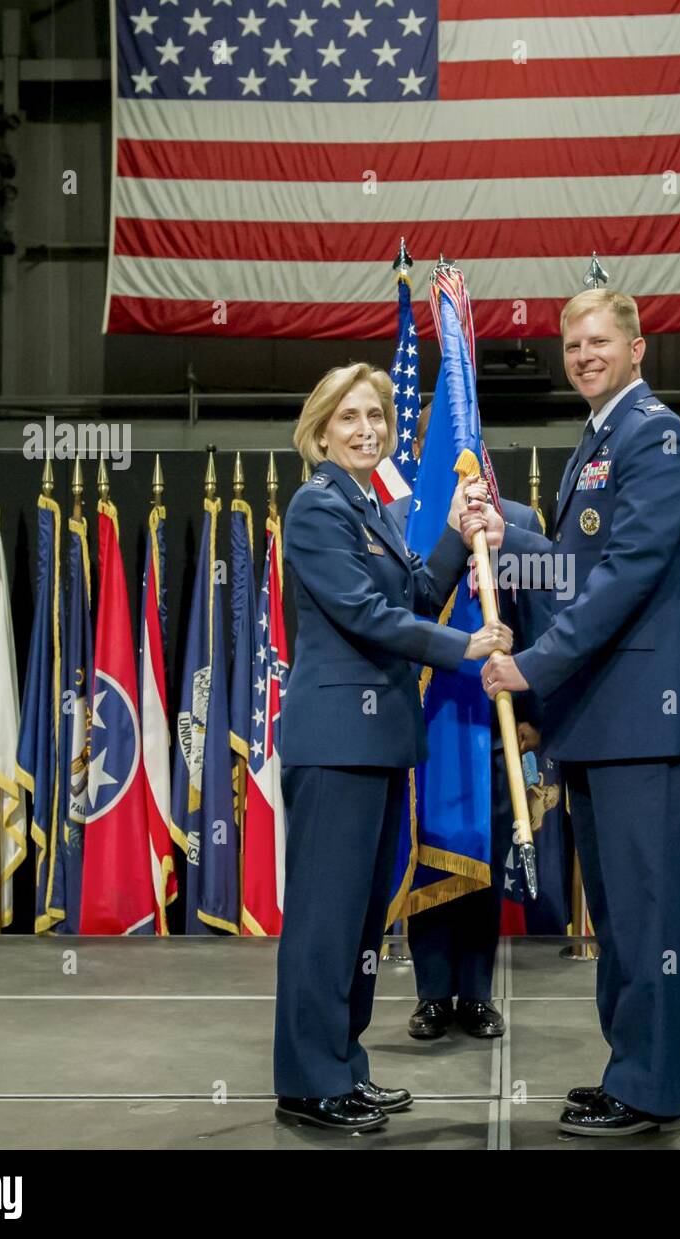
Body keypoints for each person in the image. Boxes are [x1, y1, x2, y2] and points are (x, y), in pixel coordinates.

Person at [462, 289, 680, 1136]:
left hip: (643, 717)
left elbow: (622, 581)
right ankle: (632, 1070)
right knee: (617, 917)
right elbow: (575, 571)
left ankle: (654, 1087)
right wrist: (507, 537)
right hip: (604, 722)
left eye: (599, 340)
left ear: (638, 347)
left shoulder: (656, 436)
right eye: (571, 343)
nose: (582, 354)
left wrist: (527, 666)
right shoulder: (599, 441)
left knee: (646, 916)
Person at [273, 363, 511, 1132]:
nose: (368, 428)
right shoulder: (318, 508)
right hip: (336, 744)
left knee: (360, 924)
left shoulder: (368, 507)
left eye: (377, 414)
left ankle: (343, 1064)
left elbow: (413, 591)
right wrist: (465, 645)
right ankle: (309, 1083)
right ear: (320, 429)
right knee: (324, 923)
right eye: (350, 417)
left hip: (375, 745)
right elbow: (370, 614)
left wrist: (454, 527)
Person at [387, 405, 547, 1041]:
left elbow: (543, 621)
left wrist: (535, 717)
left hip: (494, 715)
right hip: (423, 717)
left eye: (466, 444)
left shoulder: (523, 524)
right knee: (429, 850)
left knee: (488, 845)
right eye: (438, 444)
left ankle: (477, 993)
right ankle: (431, 995)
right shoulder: (397, 523)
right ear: (422, 450)